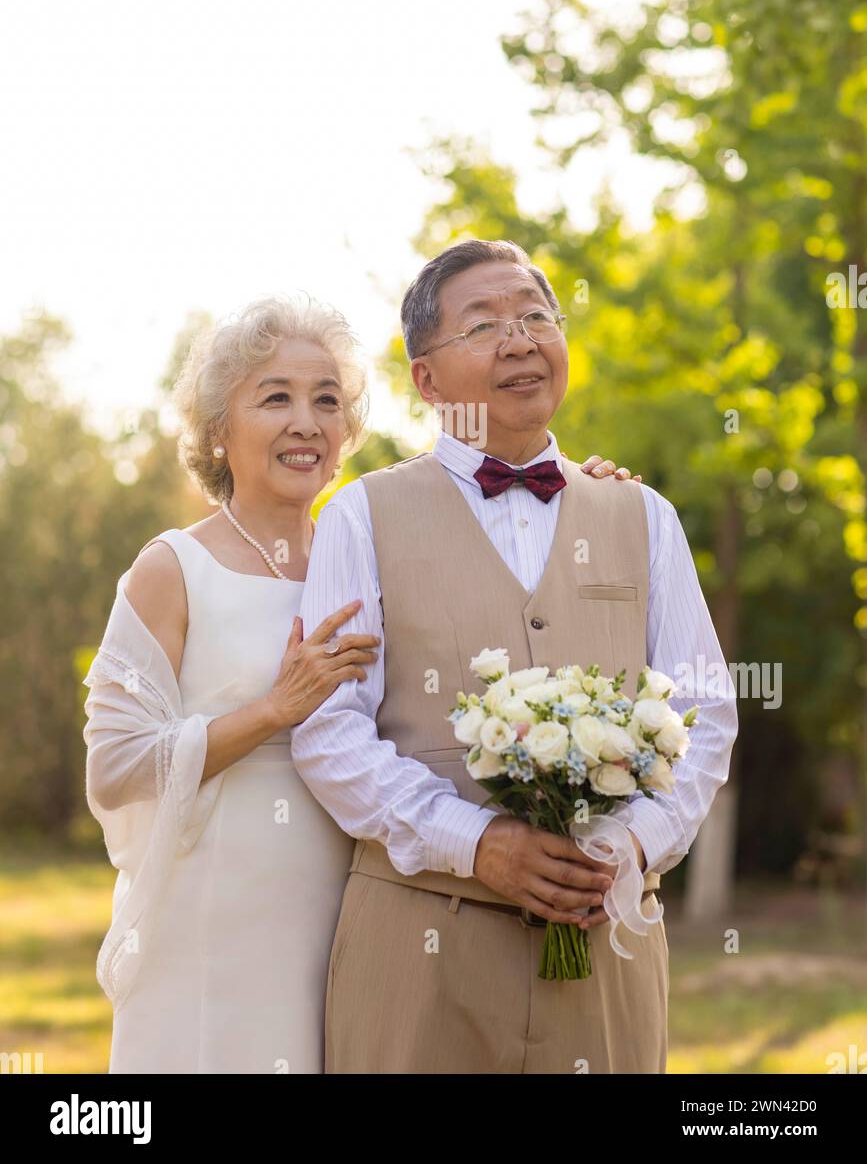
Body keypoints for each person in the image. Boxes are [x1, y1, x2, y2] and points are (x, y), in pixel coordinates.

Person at [82, 288, 635, 1074]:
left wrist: (587, 490)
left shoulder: (371, 547)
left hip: (361, 916)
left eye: (327, 400)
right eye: (275, 398)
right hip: (216, 924)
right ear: (217, 429)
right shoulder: (172, 569)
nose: (306, 421)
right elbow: (113, 769)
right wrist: (275, 709)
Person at [293, 238, 739, 1075]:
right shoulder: (358, 516)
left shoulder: (641, 515)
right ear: (425, 378)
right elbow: (326, 731)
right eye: (484, 324)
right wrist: (475, 842)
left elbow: (705, 709)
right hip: (418, 963)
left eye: (537, 316)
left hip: (605, 957)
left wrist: (633, 844)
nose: (519, 339)